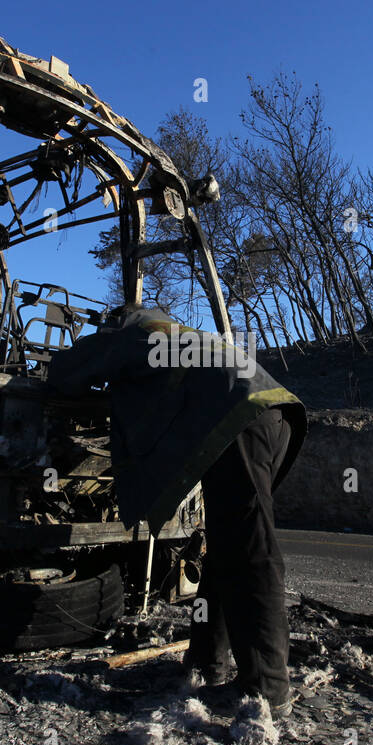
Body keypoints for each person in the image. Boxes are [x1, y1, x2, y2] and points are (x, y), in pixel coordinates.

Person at [47, 304, 306, 715]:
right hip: (276, 416)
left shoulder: (135, 335)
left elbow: (65, 373)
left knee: (251, 550)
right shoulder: (184, 338)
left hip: (242, 418)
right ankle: (207, 663)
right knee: (227, 547)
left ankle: (267, 690)